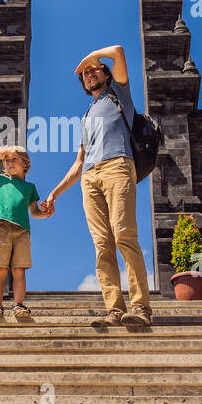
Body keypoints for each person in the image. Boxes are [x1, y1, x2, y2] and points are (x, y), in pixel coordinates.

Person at [44, 44, 153, 328]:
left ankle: (141, 307)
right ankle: (115, 309)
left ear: (105, 73)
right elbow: (79, 161)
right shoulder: (86, 116)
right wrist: (55, 193)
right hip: (89, 177)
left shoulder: (119, 94)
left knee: (124, 235)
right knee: (102, 245)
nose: (90, 73)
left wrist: (90, 56)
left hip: (117, 165)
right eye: (85, 73)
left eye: (94, 69)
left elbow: (118, 51)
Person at [0, 145, 49, 320]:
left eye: (14, 159)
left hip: (22, 232)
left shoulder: (30, 188)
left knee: (19, 270)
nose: (9, 162)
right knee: (0, 269)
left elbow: (35, 212)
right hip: (1, 230)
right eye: (6, 160)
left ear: (26, 164)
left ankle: (18, 305)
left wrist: (45, 214)